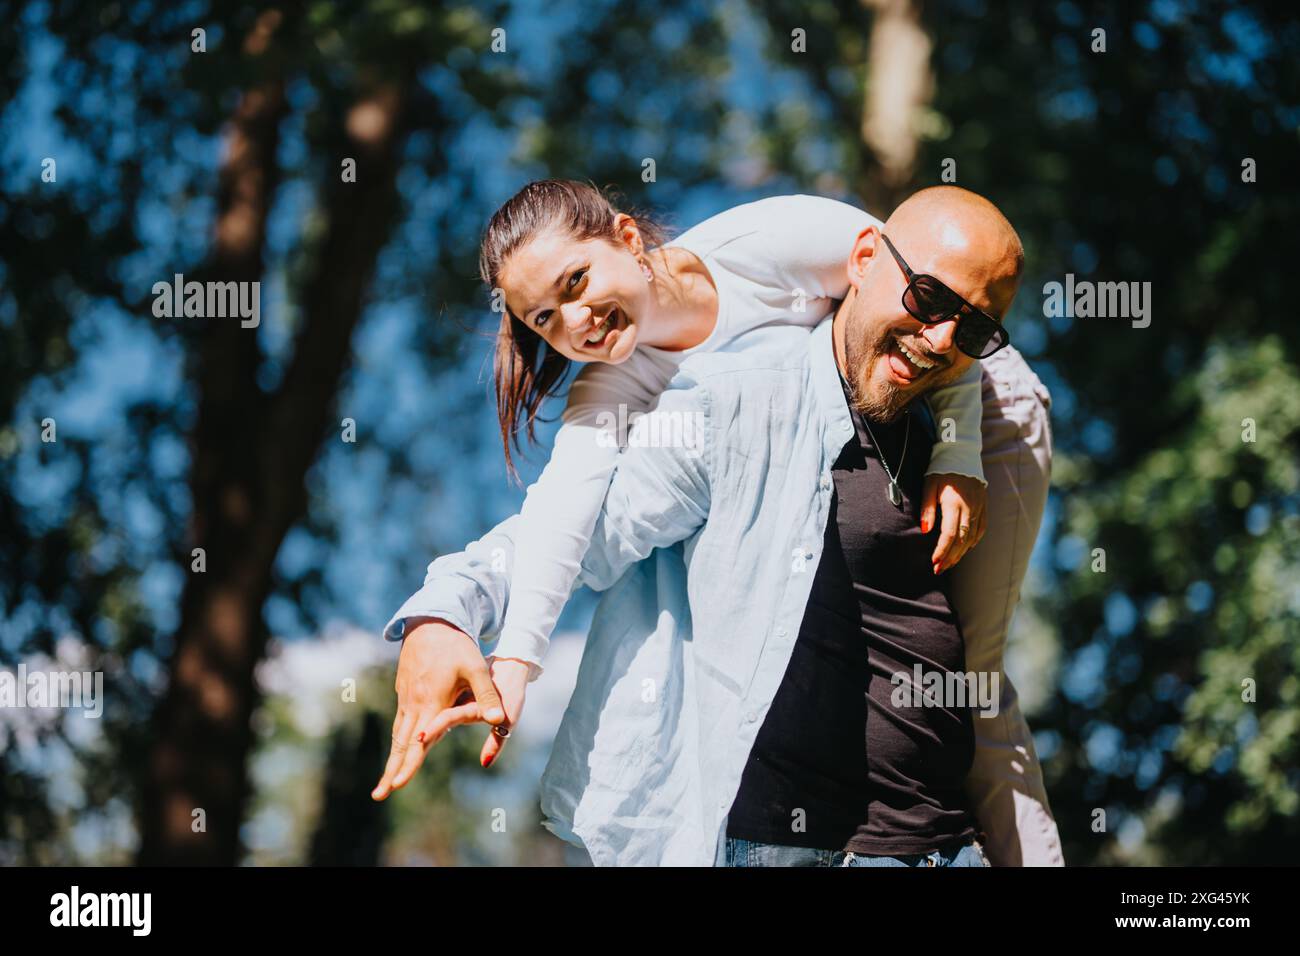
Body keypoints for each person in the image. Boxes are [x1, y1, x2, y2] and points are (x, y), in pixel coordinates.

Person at [375, 184, 1062, 866]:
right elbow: (566, 522)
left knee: (982, 678)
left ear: (628, 238)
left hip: (944, 840)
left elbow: (944, 291)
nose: (577, 319)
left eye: (577, 281)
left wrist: (959, 451)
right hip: (800, 836)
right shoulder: (697, 399)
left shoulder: (789, 245)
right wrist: (463, 621)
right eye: (546, 318)